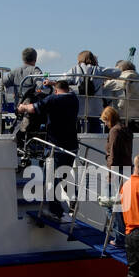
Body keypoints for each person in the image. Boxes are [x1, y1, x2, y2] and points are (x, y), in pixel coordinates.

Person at [20, 78, 79, 217]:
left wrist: (22, 107)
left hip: (56, 145)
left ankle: (55, 210)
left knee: (51, 178)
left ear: (56, 91)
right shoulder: (73, 99)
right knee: (65, 173)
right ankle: (73, 196)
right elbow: (66, 90)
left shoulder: (53, 99)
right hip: (72, 146)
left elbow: (34, 108)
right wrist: (53, 84)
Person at [102, 105, 133, 242]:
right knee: (120, 205)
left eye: (105, 121)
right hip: (126, 169)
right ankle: (123, 235)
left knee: (108, 203)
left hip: (116, 170)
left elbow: (113, 154)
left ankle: (120, 236)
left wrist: (110, 173)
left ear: (109, 119)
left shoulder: (114, 131)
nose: (104, 124)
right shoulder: (126, 129)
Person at [64, 50, 106, 133]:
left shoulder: (74, 69)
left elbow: (62, 81)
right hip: (95, 107)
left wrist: (75, 88)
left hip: (79, 106)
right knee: (95, 125)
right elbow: (117, 72)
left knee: (77, 126)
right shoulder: (98, 69)